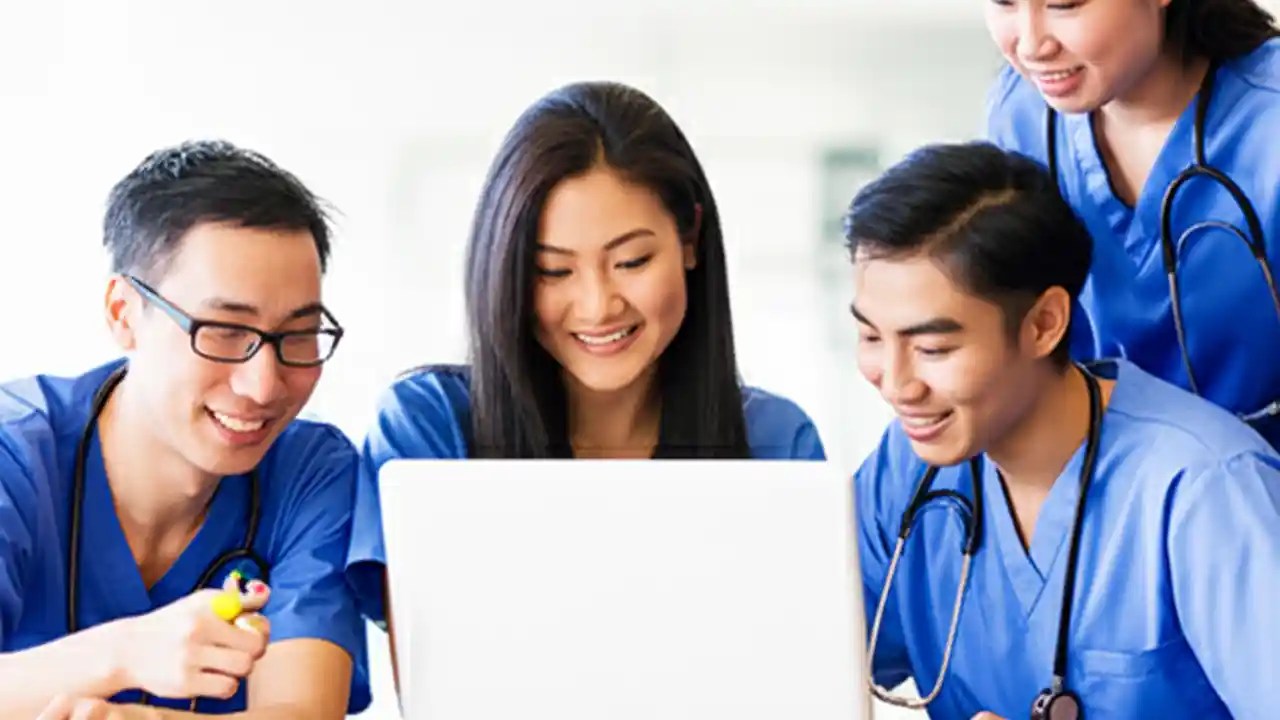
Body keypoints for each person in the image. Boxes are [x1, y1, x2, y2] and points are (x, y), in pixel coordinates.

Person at [344, 80, 826, 648]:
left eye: (631, 261)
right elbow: (437, 680)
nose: (598, 306)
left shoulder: (776, 441)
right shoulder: (428, 427)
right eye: (553, 271)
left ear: (690, 239)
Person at [846, 142, 1280, 719]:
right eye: (873, 338)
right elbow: (793, 657)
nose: (896, 384)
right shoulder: (905, 470)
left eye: (932, 348)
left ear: (1045, 324)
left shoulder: (1203, 488)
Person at [0, 140, 370, 718]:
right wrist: (123, 651)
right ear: (124, 314)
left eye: (297, 335)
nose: (263, 385)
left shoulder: (311, 473)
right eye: (223, 330)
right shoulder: (15, 456)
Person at [983, 0, 1280, 449]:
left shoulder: (1267, 120)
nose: (1031, 45)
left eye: (1063, 5)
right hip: (1104, 489)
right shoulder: (1022, 116)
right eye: (1004, 2)